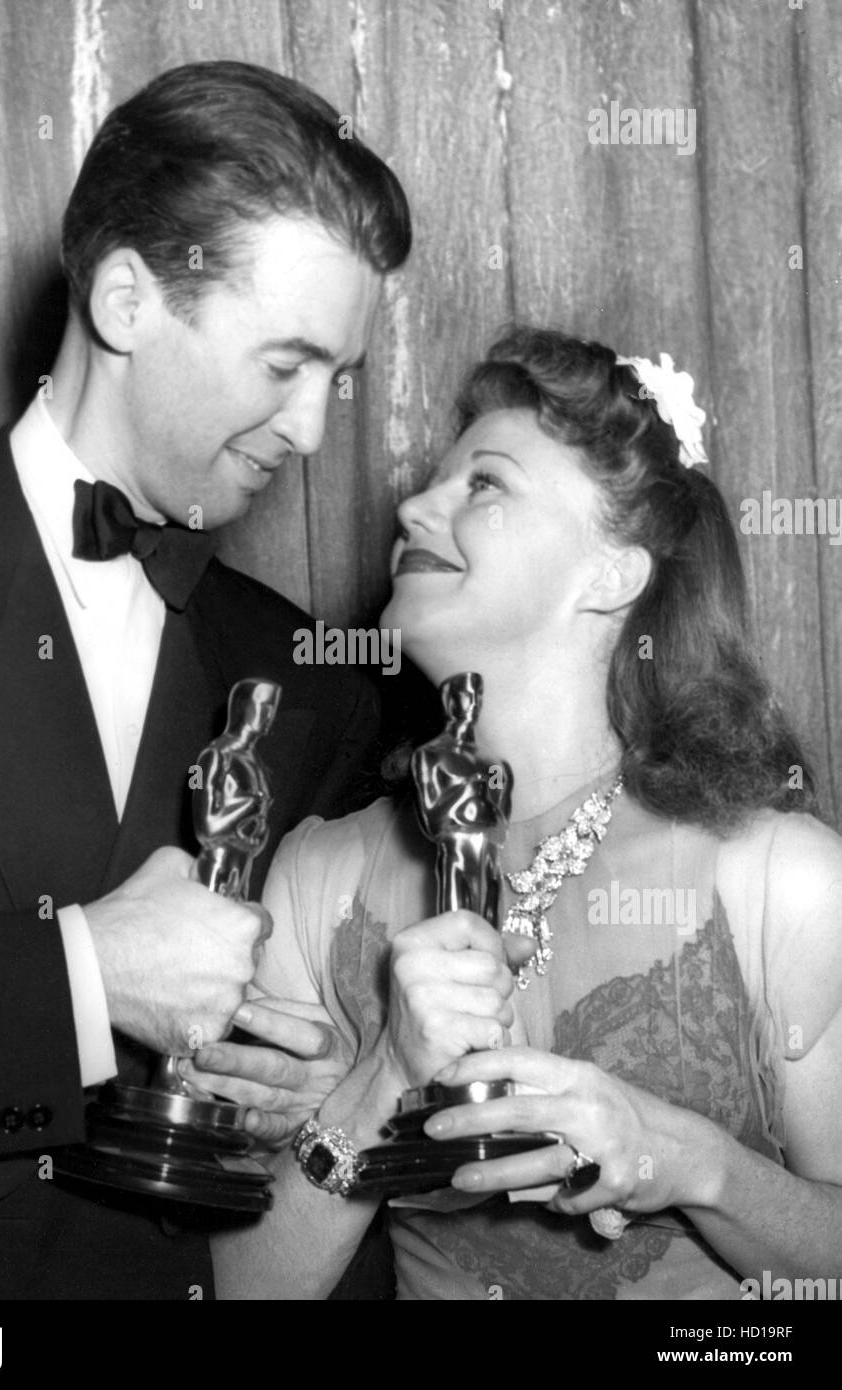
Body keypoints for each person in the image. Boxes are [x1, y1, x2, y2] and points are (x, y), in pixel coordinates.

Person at [0, 60, 410, 1299]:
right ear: (123, 301)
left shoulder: (308, 677)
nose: (316, 433)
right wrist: (85, 979)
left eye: (342, 380)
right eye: (284, 365)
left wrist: (300, 1093)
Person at [210, 326, 842, 1300]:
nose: (414, 506)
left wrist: (688, 1160)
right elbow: (239, 1291)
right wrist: (383, 1076)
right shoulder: (315, 878)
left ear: (611, 574)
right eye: (432, 484)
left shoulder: (779, 879)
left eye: (485, 484)